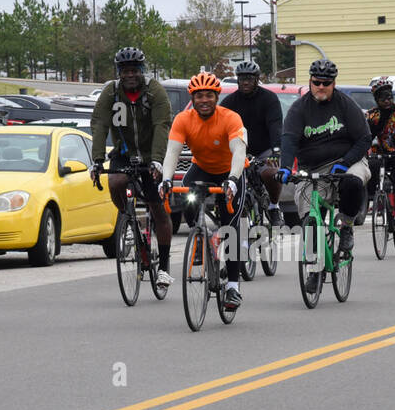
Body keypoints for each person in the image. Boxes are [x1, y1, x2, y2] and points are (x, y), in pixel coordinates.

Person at [278, 58, 371, 292]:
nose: (321, 87)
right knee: (311, 217)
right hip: (313, 169)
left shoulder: (345, 105)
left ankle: (347, 225)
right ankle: (314, 270)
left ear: (333, 83)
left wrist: (346, 162)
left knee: (352, 181)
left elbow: (364, 139)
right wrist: (286, 167)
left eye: (326, 83)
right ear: (310, 81)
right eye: (317, 82)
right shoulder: (299, 109)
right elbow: (289, 139)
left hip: (347, 161)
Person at [160, 73, 249, 309]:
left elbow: (238, 151)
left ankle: (232, 287)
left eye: (209, 95)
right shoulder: (183, 119)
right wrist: (166, 180)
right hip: (202, 168)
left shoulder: (230, 118)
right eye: (199, 96)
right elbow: (172, 153)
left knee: (230, 228)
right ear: (193, 97)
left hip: (232, 171)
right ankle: (201, 237)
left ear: (216, 97)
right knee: (186, 198)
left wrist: (232, 180)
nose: (204, 100)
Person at [90, 47, 174, 285]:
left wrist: (157, 159)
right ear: (119, 72)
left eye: (134, 70)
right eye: (125, 71)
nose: (130, 75)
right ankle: (128, 220)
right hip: (124, 153)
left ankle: (164, 267)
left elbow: (162, 125)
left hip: (151, 155)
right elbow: (99, 124)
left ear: (142, 71)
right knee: (115, 181)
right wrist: (97, 160)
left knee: (157, 208)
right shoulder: (112, 92)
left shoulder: (154, 91)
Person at [220, 60, 284, 225]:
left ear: (257, 79)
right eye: (242, 79)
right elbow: (219, 129)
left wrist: (276, 151)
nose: (245, 82)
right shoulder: (228, 102)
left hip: (264, 150)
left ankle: (273, 206)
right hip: (237, 152)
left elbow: (275, 126)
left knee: (271, 174)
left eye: (249, 78)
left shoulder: (269, 99)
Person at [364, 76, 395, 247]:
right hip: (380, 155)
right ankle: (380, 204)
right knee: (367, 175)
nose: (387, 101)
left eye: (389, 97)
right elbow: (364, 138)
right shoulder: (371, 115)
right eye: (382, 98)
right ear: (376, 99)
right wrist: (363, 152)